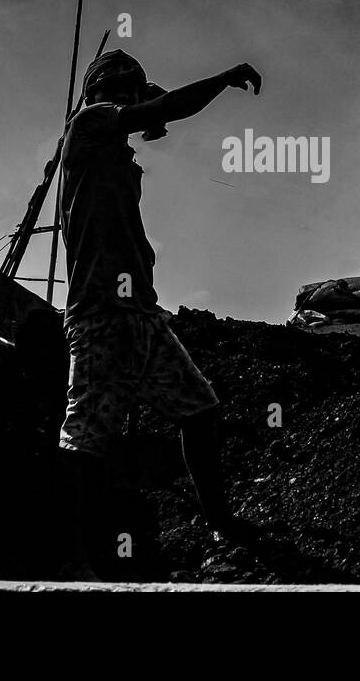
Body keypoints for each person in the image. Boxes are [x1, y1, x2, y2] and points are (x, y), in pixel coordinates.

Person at [53, 49, 262, 578]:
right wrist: (225, 76)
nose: (129, 94)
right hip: (100, 310)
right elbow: (163, 107)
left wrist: (154, 114)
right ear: (102, 91)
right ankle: (73, 559)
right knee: (87, 434)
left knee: (199, 410)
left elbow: (157, 111)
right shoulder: (88, 122)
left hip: (140, 315)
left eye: (134, 87)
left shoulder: (114, 150)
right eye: (121, 86)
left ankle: (220, 522)